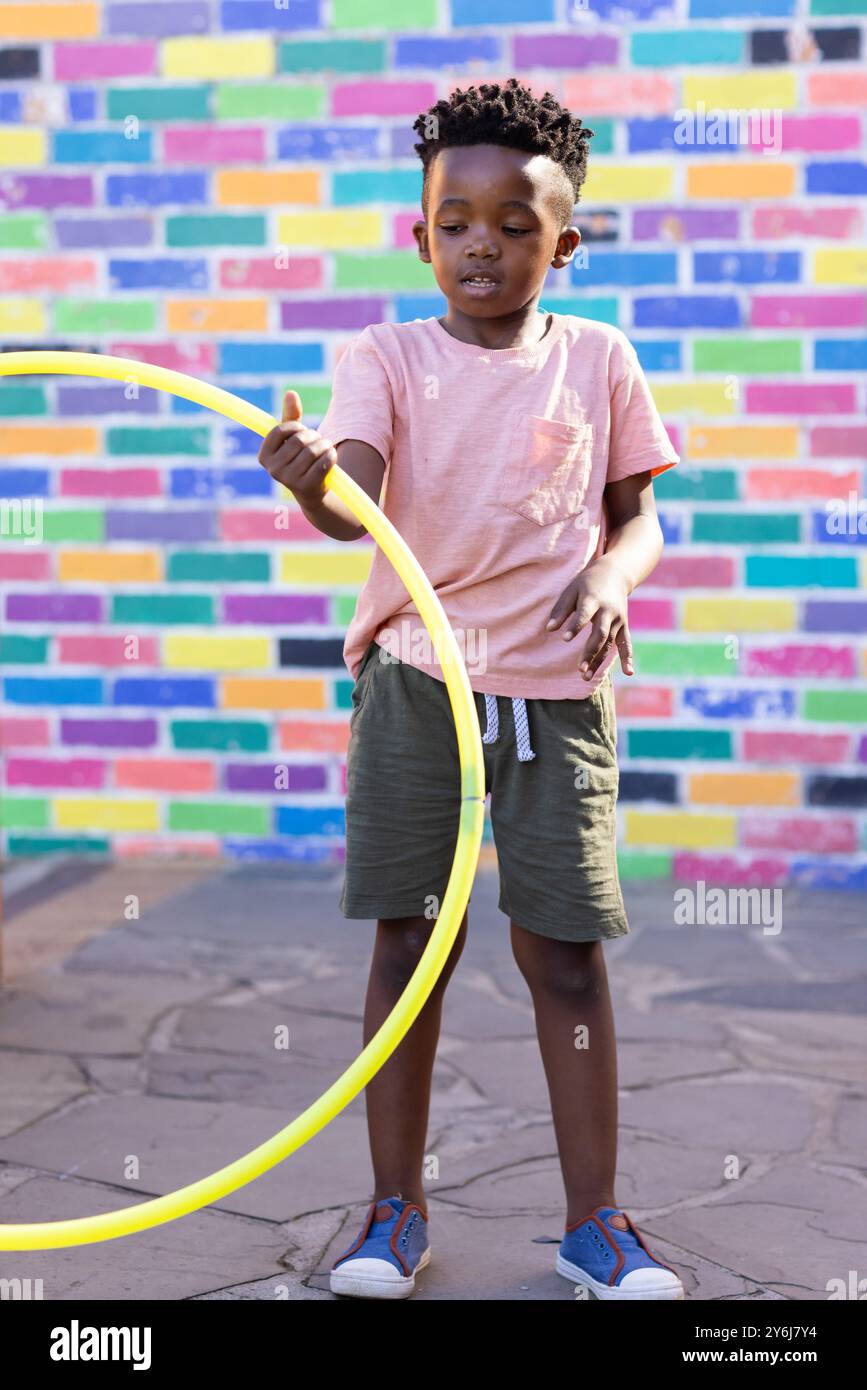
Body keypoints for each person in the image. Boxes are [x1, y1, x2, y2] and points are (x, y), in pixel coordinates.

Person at [259, 78, 684, 1302]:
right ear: (421, 233)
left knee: (564, 956)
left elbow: (641, 521)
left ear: (567, 240)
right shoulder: (384, 356)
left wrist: (611, 571)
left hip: (558, 694)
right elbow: (355, 506)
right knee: (409, 947)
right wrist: (305, 483)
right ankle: (395, 1212)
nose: (480, 244)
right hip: (416, 689)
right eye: (455, 221)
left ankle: (596, 1222)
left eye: (513, 222)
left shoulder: (600, 360)